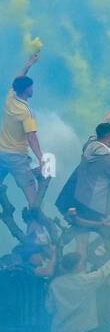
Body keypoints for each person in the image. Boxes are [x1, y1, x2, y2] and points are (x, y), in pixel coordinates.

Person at [0, 54, 44, 213]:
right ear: (26, 90)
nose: (33, 89)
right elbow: (32, 137)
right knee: (31, 195)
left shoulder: (10, 97)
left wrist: (29, 64)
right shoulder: (27, 112)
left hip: (1, 152)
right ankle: (36, 229)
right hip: (17, 157)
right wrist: (41, 159)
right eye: (31, 87)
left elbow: (18, 78)